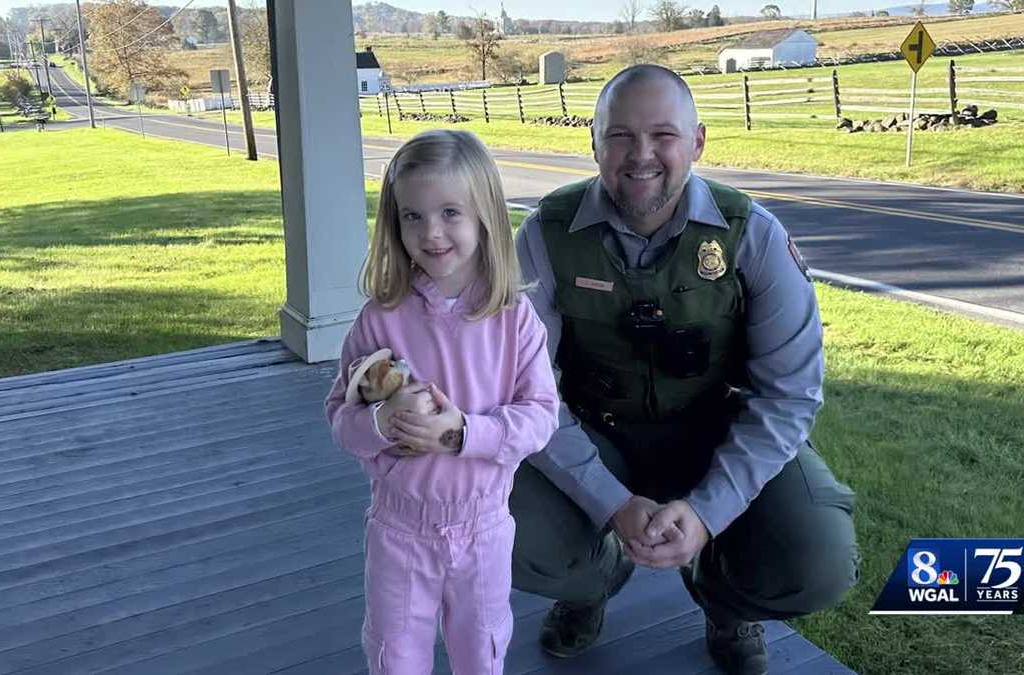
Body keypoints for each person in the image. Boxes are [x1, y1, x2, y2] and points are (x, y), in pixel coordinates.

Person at [510, 64, 859, 675]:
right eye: (619, 135)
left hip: (714, 431)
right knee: (496, 521)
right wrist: (611, 504)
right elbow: (525, 389)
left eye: (662, 135)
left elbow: (790, 396)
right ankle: (591, 584)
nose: (640, 155)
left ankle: (724, 603)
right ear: (593, 141)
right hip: (597, 431)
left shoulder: (751, 235)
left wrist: (708, 514)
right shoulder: (546, 235)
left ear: (697, 141)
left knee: (816, 563)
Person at [325, 129, 560, 675]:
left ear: (484, 216)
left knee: (482, 650)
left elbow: (541, 415)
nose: (431, 233)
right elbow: (340, 415)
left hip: (484, 526)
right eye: (412, 216)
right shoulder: (380, 318)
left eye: (450, 212)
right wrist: (381, 421)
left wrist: (462, 434)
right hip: (399, 528)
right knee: (395, 651)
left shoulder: (513, 318)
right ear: (394, 223)